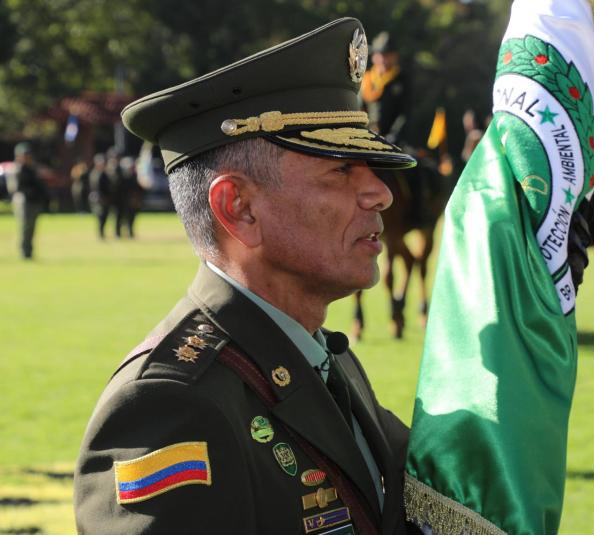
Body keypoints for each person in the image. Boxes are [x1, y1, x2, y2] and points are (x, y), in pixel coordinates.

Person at [75, 19, 421, 534]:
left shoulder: (324, 356)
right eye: (341, 170)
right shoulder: (168, 406)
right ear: (238, 208)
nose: (381, 194)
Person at [6, 142, 49, 259]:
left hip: (34, 202)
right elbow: (16, 188)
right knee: (25, 227)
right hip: (24, 202)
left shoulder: (32, 168)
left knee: (31, 228)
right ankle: (25, 252)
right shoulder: (17, 169)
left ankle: (29, 251)